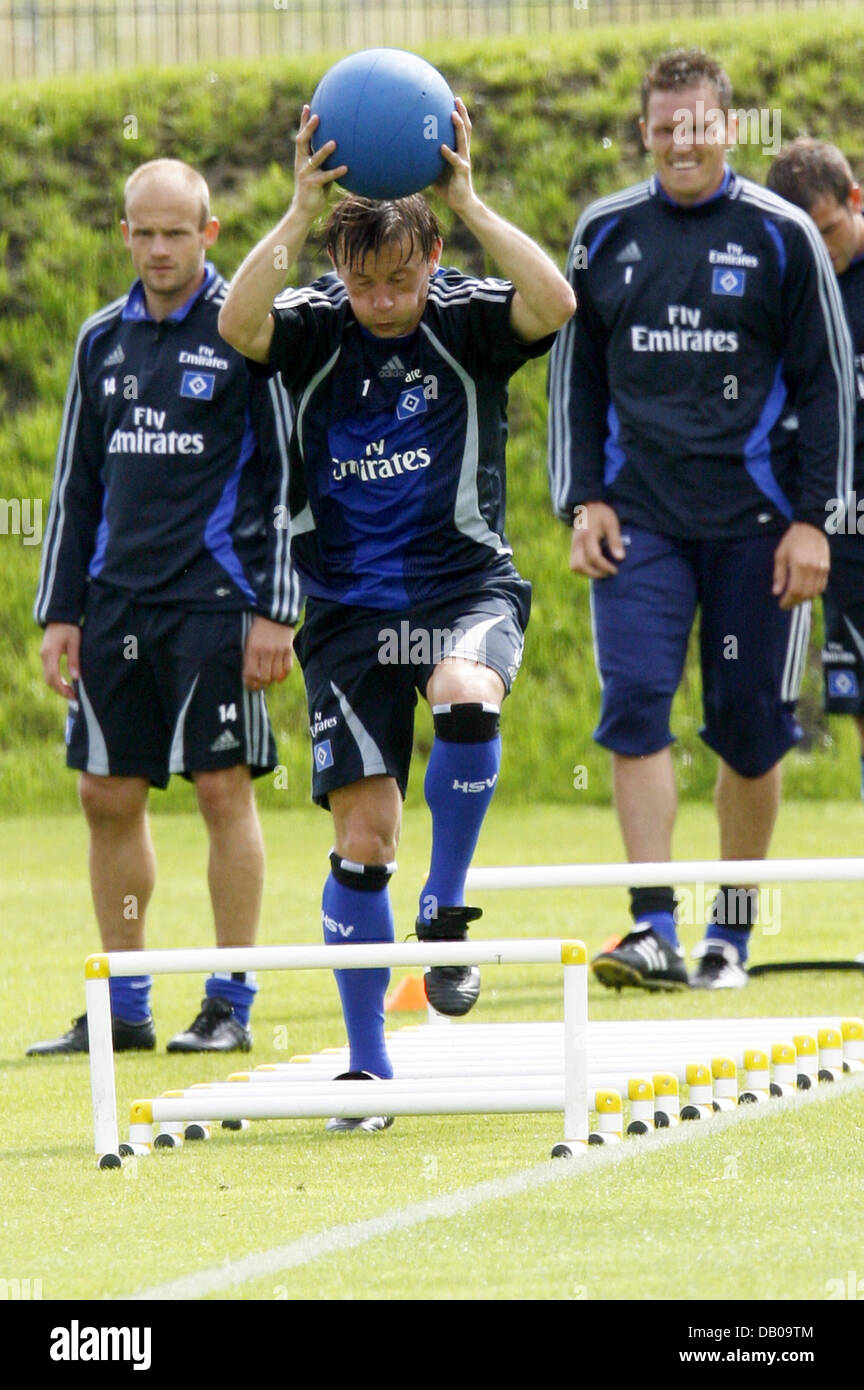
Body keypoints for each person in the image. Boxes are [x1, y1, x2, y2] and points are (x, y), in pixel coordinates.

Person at [218, 99, 574, 1129]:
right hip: (345, 610)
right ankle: (368, 1071)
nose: (383, 300)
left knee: (467, 692)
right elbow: (238, 324)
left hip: (465, 585)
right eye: (365, 283)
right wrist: (294, 211)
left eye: (402, 279)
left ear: (430, 256)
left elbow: (555, 303)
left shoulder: (465, 316)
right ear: (341, 273)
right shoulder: (318, 327)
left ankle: (447, 910)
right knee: (364, 836)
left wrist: (471, 200)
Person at [548, 50, 855, 991]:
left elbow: (830, 385)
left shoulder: (782, 234)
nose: (683, 141)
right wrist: (583, 500)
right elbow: (576, 382)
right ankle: (652, 930)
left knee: (749, 728)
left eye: (700, 125)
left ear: (729, 129)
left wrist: (816, 523)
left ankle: (730, 935)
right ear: (646, 131)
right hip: (640, 523)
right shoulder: (604, 233)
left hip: (761, 527)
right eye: (665, 125)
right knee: (635, 706)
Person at [29, 158, 301, 1056]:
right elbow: (76, 487)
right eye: (141, 233)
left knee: (222, 789)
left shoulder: (245, 330)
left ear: (208, 234)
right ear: (124, 235)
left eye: (174, 233)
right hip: (115, 608)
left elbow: (286, 480)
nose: (156, 249)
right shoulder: (99, 340)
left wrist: (278, 611)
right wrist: (59, 612)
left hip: (216, 603)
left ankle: (229, 1002)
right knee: (106, 794)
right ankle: (126, 1004)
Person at [766, 139, 864, 797]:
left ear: (855, 200)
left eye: (827, 228)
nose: (821, 247)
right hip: (840, 528)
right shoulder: (786, 289)